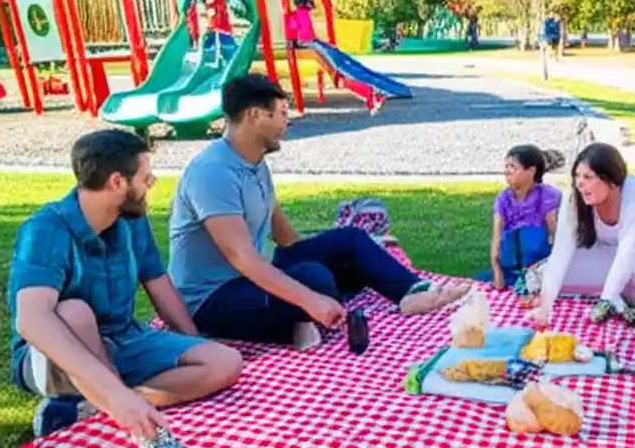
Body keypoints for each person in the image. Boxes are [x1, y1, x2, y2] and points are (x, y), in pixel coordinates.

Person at [7, 130, 241, 448]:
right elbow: (32, 319)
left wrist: (194, 344)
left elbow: (160, 286)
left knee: (225, 362)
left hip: (125, 340)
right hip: (53, 357)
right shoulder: (46, 229)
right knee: (73, 312)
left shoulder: (132, 221)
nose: (152, 182)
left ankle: (88, 407)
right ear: (117, 181)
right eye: (145, 175)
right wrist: (117, 395)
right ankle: (137, 427)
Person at [168, 75, 471, 346]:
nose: (288, 122)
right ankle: (299, 321)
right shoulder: (213, 173)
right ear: (256, 115)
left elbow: (286, 239)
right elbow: (241, 257)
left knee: (349, 241)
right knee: (315, 280)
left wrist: (341, 257)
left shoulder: (256, 163)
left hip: (248, 278)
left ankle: (410, 294)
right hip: (212, 299)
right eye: (283, 113)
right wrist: (309, 298)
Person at [528, 142, 635, 328]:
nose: (579, 184)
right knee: (551, 276)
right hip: (599, 253)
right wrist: (544, 310)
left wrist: (605, 302)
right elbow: (561, 251)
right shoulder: (574, 199)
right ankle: (614, 298)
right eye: (577, 176)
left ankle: (614, 298)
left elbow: (629, 252)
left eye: (587, 177)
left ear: (611, 180)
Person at [480, 145, 564, 290]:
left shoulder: (548, 196)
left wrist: (554, 274)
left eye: (512, 167)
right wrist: (497, 272)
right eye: (506, 166)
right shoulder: (503, 199)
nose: (506, 171)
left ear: (531, 171)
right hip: (509, 271)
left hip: (538, 272)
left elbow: (555, 237)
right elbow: (496, 239)